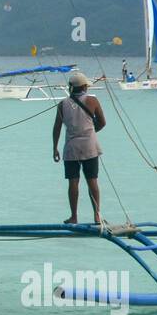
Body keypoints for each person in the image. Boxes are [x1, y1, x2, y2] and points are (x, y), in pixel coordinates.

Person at [52, 70, 106, 225]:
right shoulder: (93, 101)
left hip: (71, 148)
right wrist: (90, 131)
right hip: (90, 146)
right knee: (92, 181)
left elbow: (57, 128)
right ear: (84, 87)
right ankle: (97, 215)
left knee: (73, 182)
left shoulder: (62, 104)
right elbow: (102, 122)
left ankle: (74, 216)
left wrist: (54, 148)